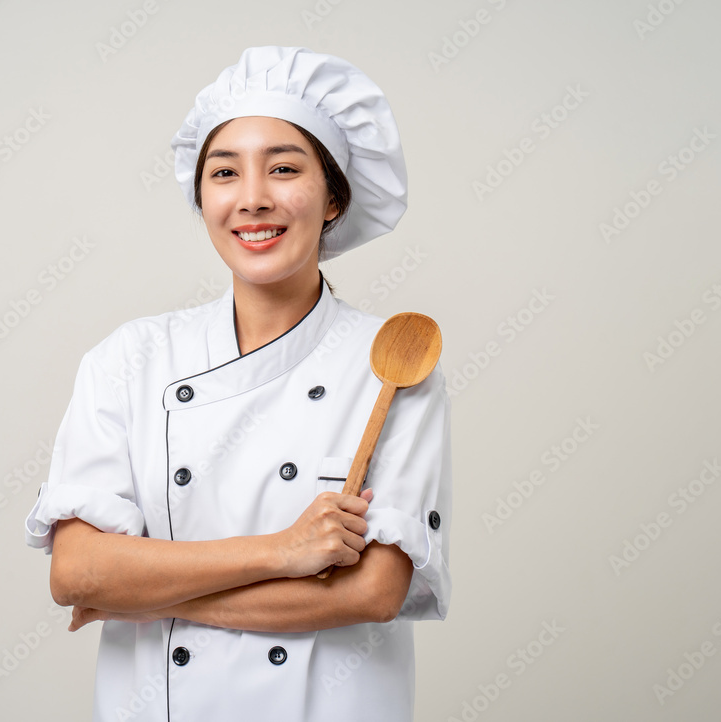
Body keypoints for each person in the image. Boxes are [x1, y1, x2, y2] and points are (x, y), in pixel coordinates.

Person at [24, 46, 452, 722]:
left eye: (284, 168)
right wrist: (283, 552)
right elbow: (76, 573)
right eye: (224, 173)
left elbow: (372, 593)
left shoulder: (391, 362)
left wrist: (140, 590)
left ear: (334, 195)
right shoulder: (129, 359)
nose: (253, 198)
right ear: (201, 196)